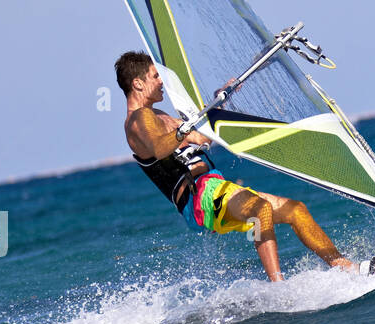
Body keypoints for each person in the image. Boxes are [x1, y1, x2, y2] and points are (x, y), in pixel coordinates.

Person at [115, 51, 358, 281]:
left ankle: (345, 268)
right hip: (200, 197)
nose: (161, 82)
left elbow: (202, 136)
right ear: (137, 83)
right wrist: (185, 133)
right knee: (260, 209)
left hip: (215, 186)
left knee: (296, 210)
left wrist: (219, 101)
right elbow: (159, 148)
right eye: (155, 76)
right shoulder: (138, 120)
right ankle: (279, 288)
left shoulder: (157, 115)